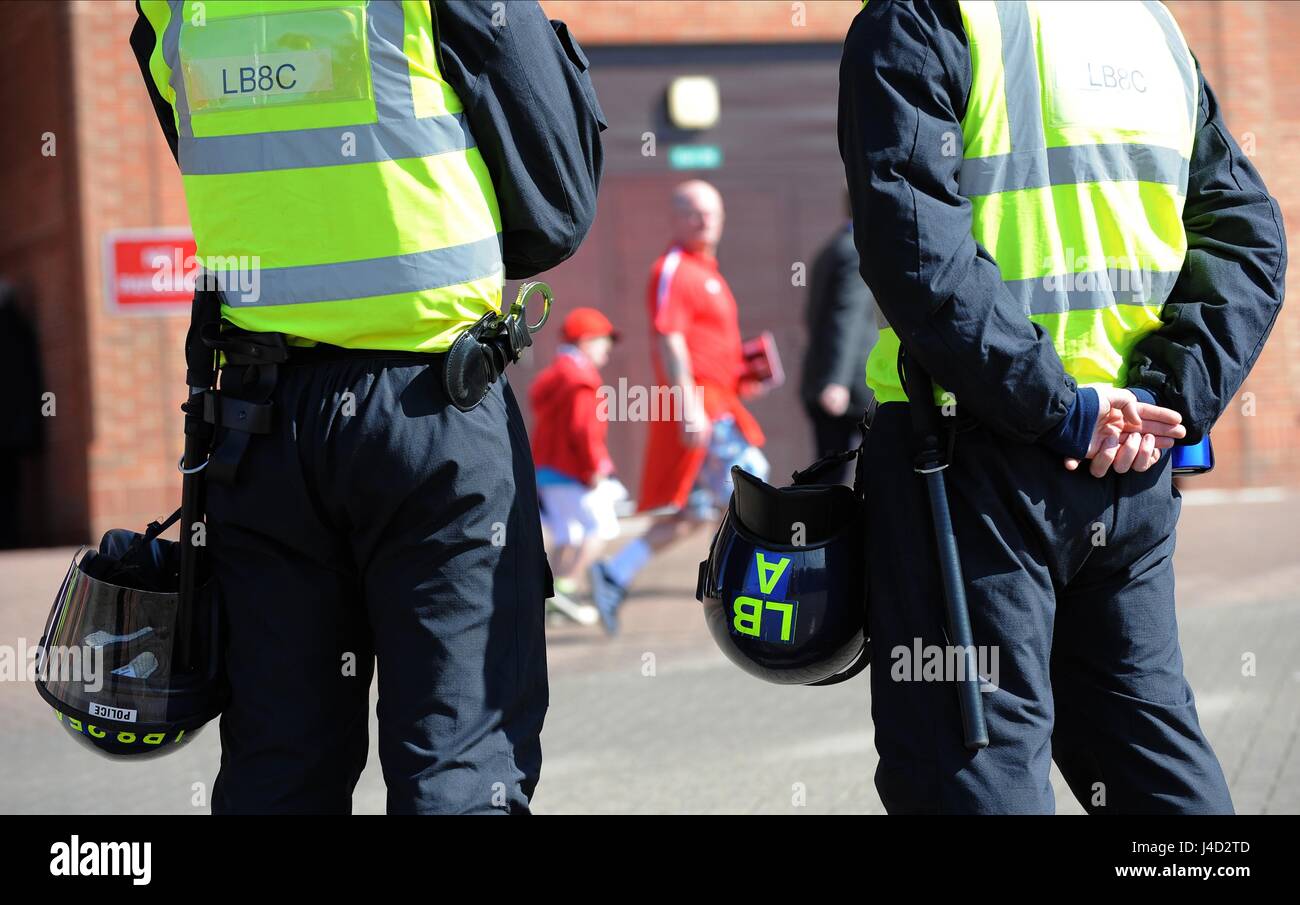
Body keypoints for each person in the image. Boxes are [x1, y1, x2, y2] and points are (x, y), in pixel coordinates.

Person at [131, 0, 604, 814]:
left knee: (279, 769)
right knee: (458, 765)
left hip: (256, 425)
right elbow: (557, 200)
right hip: (429, 413)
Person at [840, 0, 1285, 814]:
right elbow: (1248, 236)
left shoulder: (926, 17)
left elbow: (914, 248)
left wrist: (1064, 407)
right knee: (1150, 763)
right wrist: (1161, 400)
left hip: (967, 467)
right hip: (1128, 475)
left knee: (971, 768)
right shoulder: (1148, 27)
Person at [588, 180, 768, 635]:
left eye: (713, 213)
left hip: (720, 403)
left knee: (692, 514)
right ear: (677, 217)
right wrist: (689, 403)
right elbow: (669, 337)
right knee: (754, 483)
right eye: (695, 212)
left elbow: (706, 346)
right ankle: (744, 589)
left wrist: (743, 376)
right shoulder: (674, 268)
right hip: (702, 409)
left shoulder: (709, 271)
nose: (706, 221)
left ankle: (613, 574)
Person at [530, 308, 625, 626]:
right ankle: (565, 589)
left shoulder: (558, 374)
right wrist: (593, 468)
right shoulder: (581, 379)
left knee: (567, 535)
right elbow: (584, 430)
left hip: (548, 471)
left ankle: (552, 600)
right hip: (572, 471)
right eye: (603, 341)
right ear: (585, 342)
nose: (607, 349)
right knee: (601, 529)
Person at [800, 200, 879, 484]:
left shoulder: (834, 246)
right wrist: (837, 381)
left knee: (830, 475)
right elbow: (844, 318)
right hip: (849, 390)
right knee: (849, 476)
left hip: (825, 382)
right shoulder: (855, 251)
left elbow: (812, 316)